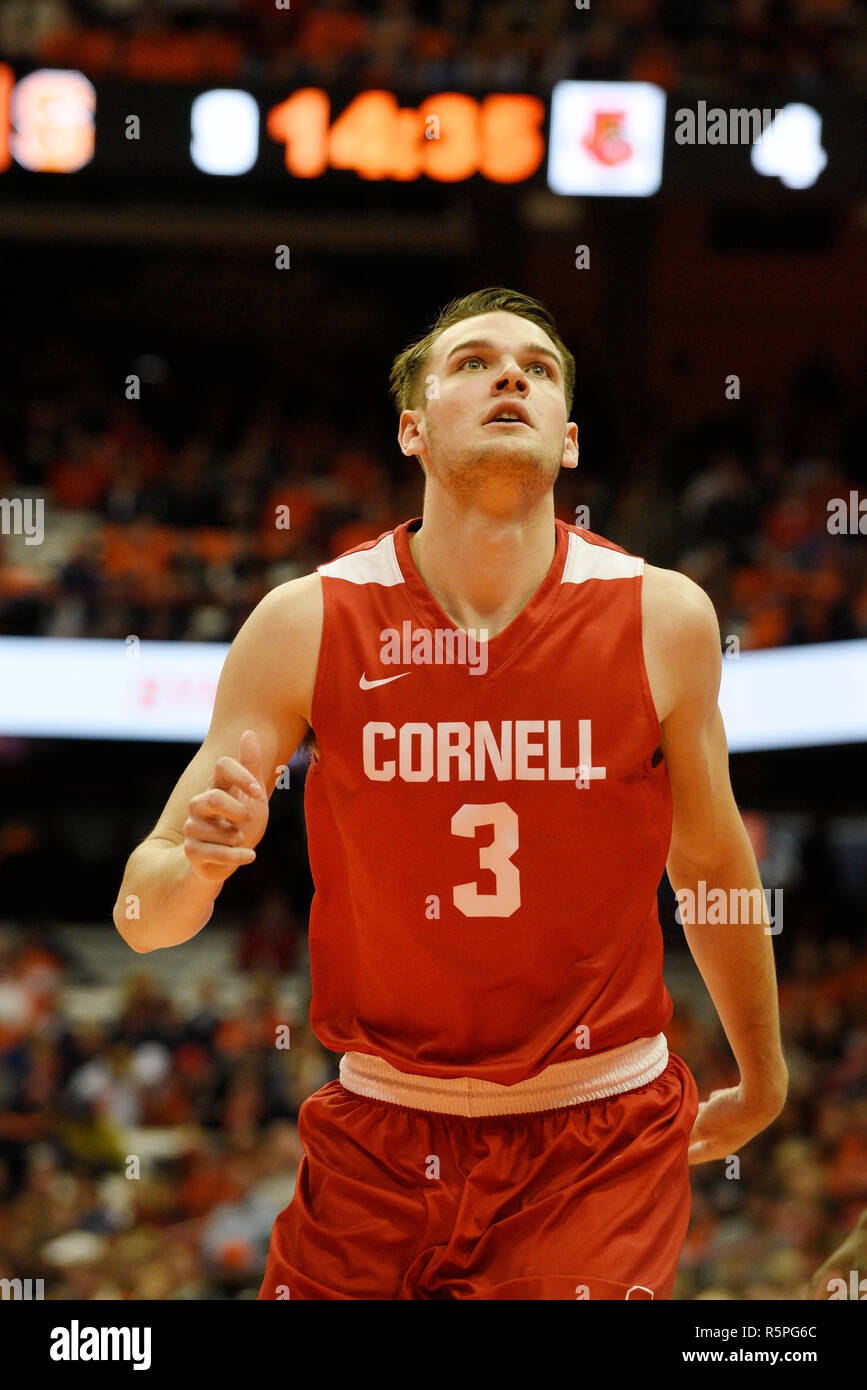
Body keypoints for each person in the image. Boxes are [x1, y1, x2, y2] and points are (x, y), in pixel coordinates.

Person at [114, 287, 788, 1300]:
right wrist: (198, 863)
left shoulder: (664, 618)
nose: (510, 374)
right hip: (379, 1123)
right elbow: (143, 919)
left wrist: (764, 1067)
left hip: (595, 1129)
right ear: (412, 428)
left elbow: (710, 859)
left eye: (540, 367)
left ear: (568, 442)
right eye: (472, 361)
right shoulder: (305, 621)